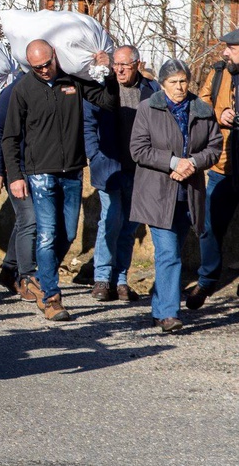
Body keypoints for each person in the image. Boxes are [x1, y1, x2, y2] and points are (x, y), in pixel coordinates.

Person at [2, 40, 118, 321]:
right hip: (39, 173)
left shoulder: (73, 80)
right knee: (46, 234)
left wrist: (109, 74)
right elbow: (9, 137)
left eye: (46, 64)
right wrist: (14, 176)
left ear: (54, 55)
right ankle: (51, 298)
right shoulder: (23, 89)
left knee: (67, 234)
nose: (43, 70)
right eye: (36, 67)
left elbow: (108, 102)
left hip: (73, 171)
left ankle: (41, 277)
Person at [129, 60, 222, 332]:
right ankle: (169, 314)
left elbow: (215, 147)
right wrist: (173, 163)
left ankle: (159, 309)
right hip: (157, 193)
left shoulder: (202, 110)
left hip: (188, 193)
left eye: (183, 81)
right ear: (162, 84)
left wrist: (192, 162)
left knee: (171, 253)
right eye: (173, 82)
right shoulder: (147, 108)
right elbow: (138, 149)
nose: (179, 87)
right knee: (169, 253)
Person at [83, 46, 159, 302]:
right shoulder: (103, 88)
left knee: (129, 226)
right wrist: (94, 155)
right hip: (109, 168)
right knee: (110, 221)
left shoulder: (152, 90)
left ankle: (121, 279)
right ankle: (102, 279)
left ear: (137, 64)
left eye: (125, 65)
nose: (119, 69)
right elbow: (88, 122)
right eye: (116, 64)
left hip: (140, 170)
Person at [191, 29, 239, 309]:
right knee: (208, 226)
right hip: (222, 165)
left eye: (232, 47)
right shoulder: (219, 72)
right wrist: (220, 114)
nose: (225, 52)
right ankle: (206, 281)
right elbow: (201, 104)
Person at [0, 72, 40, 300]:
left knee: (25, 221)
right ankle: (26, 277)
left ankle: (9, 270)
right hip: (16, 168)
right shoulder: (14, 89)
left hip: (40, 166)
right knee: (29, 219)